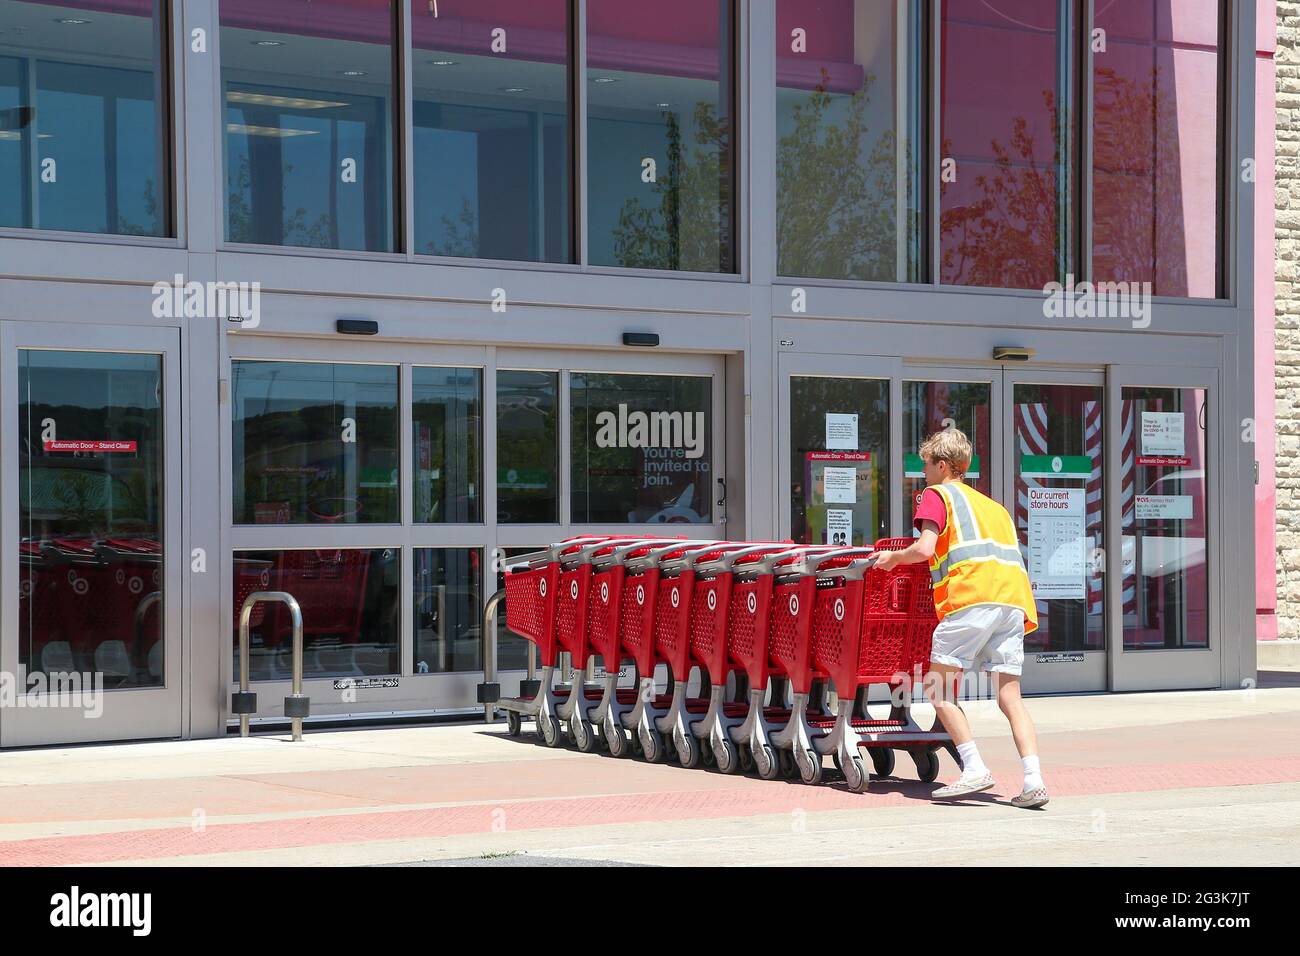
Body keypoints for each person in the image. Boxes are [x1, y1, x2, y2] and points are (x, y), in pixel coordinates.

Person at [872, 428, 1048, 809]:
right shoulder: (994, 507)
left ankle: (973, 768)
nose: (923, 474)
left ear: (942, 465)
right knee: (1010, 696)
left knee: (937, 687)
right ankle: (1034, 780)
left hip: (971, 597)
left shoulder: (937, 495)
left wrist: (892, 560)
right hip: (1013, 601)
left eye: (926, 466)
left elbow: (924, 549)